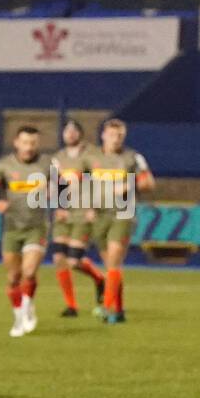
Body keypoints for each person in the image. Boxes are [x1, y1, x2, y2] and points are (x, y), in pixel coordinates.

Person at [0, 126, 54, 337]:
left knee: (30, 271)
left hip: (37, 227)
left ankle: (26, 310)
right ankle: (18, 318)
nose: (29, 147)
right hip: (12, 228)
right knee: (14, 277)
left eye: (33, 143)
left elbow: (62, 188)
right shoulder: (5, 166)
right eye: (25, 142)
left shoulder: (47, 164)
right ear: (16, 143)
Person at [85, 119, 155, 324]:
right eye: (112, 135)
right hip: (100, 215)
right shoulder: (92, 157)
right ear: (103, 135)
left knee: (115, 259)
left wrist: (128, 186)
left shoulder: (133, 157)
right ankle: (119, 309)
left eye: (120, 136)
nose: (116, 139)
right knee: (110, 266)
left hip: (123, 213)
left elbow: (149, 182)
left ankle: (106, 308)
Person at [49, 119, 105, 317]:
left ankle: (99, 279)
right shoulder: (58, 157)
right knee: (58, 257)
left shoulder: (91, 155)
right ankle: (71, 306)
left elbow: (98, 182)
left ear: (80, 133)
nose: (70, 134)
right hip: (65, 213)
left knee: (74, 261)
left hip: (83, 212)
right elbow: (57, 184)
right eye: (67, 130)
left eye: (74, 130)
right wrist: (59, 204)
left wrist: (93, 207)